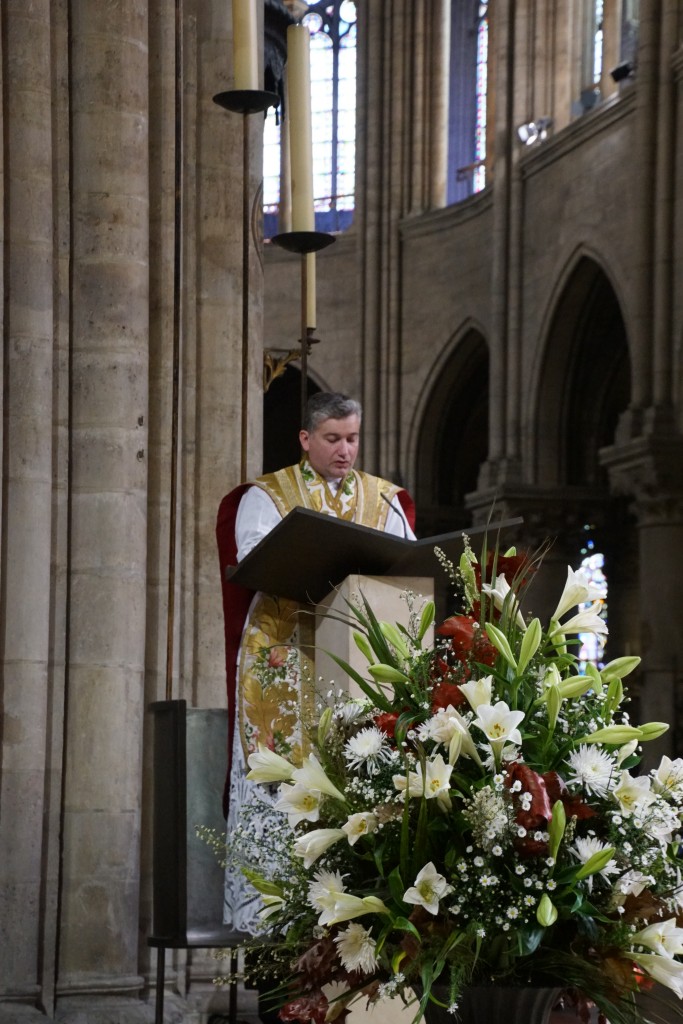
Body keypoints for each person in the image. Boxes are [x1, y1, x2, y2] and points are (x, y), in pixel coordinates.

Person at [216, 392, 416, 932]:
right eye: (333, 439)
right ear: (306, 440)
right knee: (282, 785)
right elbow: (256, 558)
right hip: (285, 656)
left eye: (352, 438)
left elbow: (408, 566)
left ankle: (360, 918)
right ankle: (274, 925)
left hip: (357, 660)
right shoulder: (268, 495)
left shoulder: (385, 499)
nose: (345, 450)